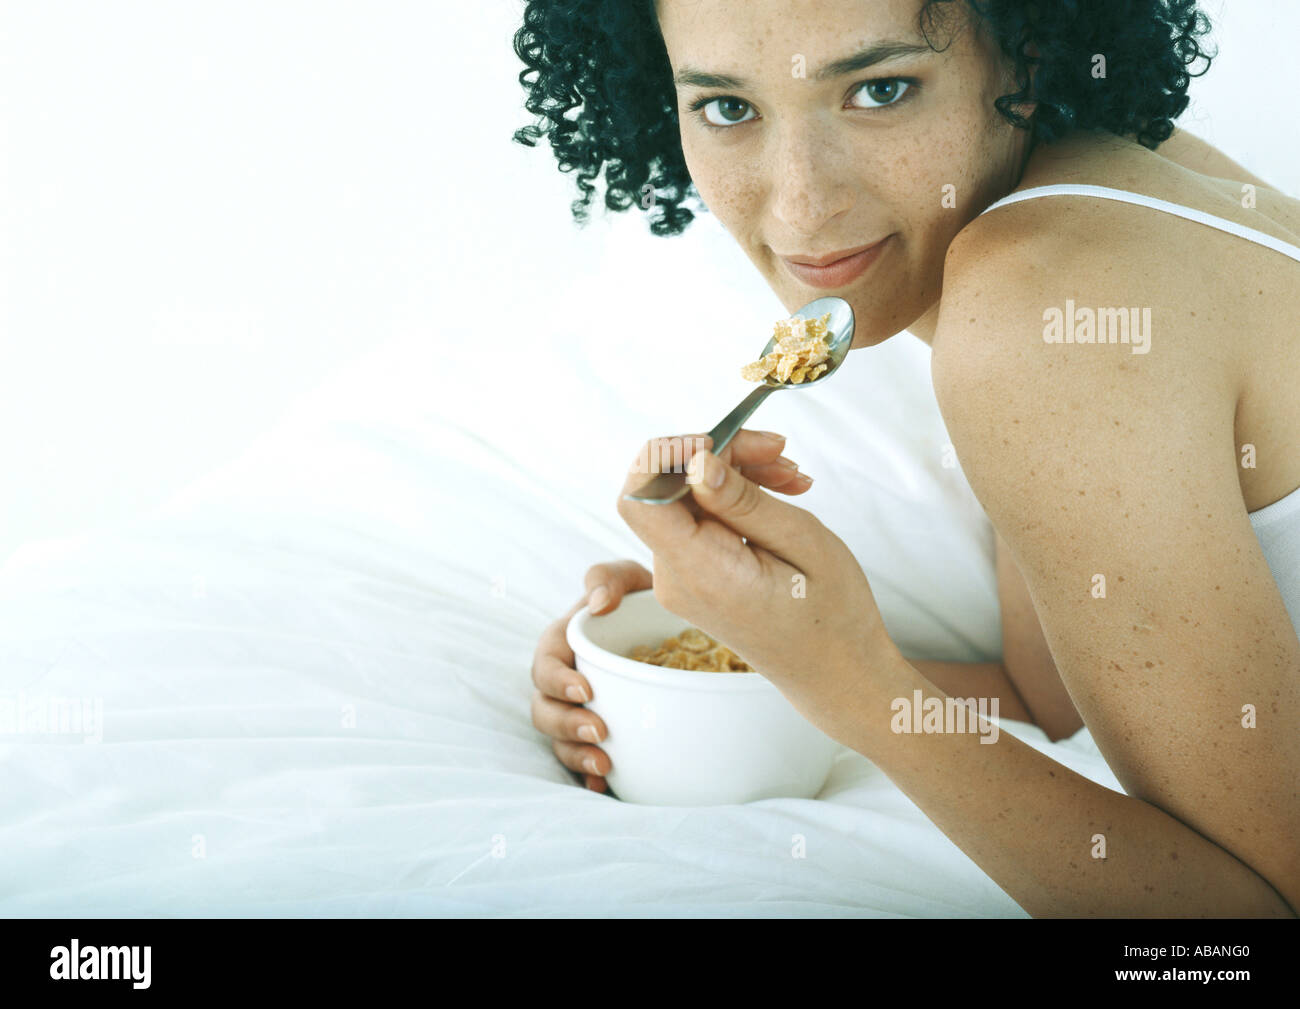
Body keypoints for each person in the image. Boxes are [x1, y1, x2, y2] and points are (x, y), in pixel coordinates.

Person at [520, 0, 1300, 916]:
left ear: (1026, 50)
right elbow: (1051, 693)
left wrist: (849, 686)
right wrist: (756, 656)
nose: (803, 203)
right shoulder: (1099, 189)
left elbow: (1237, 938)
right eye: (729, 108)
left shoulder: (1043, 308)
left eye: (880, 89)